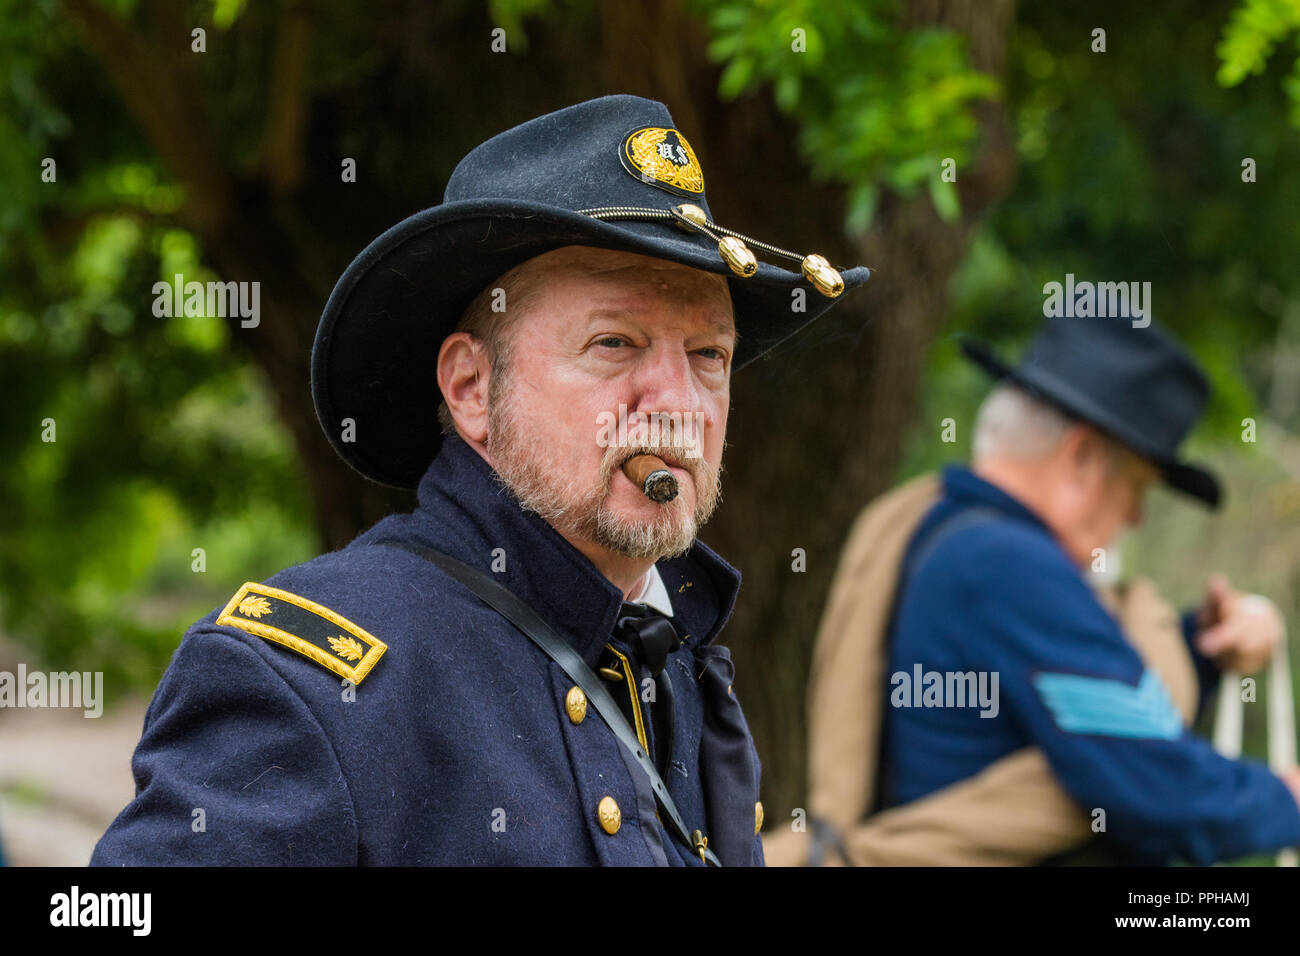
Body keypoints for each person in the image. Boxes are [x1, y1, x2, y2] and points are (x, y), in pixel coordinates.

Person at [90, 94, 869, 866]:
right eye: (614, 342)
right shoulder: (307, 684)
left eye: (709, 355)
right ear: (470, 387)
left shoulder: (672, 661)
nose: (678, 403)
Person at [770, 313, 1300, 866]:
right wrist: (1286, 799)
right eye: (1137, 488)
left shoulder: (938, 528)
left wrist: (1199, 648)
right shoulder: (1008, 565)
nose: (1139, 517)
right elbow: (1158, 787)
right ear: (1083, 457)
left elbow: (1064, 705)